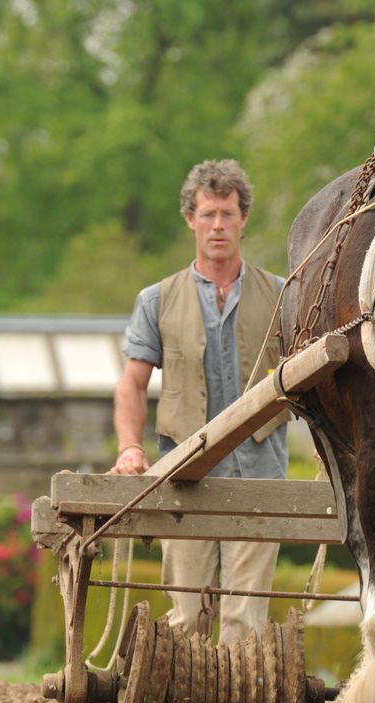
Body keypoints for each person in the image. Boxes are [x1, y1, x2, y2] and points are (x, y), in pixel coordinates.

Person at [110, 159, 290, 645]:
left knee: (243, 627)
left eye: (228, 214)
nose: (218, 226)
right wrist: (130, 448)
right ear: (190, 218)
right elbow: (131, 384)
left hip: (260, 477)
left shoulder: (280, 296)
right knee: (187, 619)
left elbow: (310, 383)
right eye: (208, 214)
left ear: (243, 219)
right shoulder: (157, 299)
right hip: (184, 477)